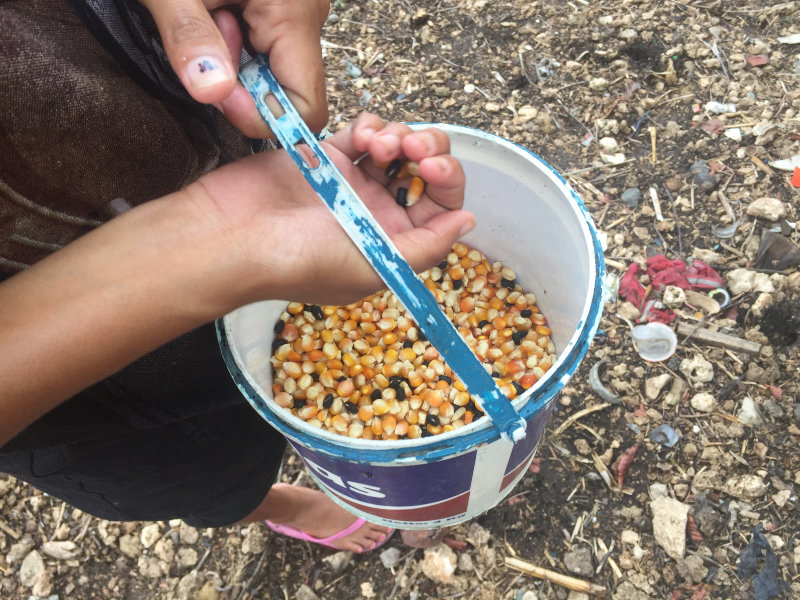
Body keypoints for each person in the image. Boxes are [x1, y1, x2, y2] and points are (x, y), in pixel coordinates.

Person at [0, 0, 473, 553]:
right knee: (205, 473)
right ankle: (278, 503)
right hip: (81, 403)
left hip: (174, 120)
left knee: (274, 402)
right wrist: (209, 244)